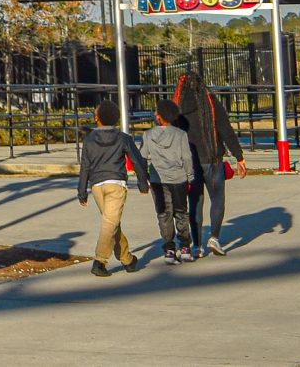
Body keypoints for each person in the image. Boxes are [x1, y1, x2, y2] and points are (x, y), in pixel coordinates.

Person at [172, 72, 245, 256]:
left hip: (190, 163)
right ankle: (214, 237)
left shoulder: (177, 108)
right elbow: (226, 130)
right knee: (217, 199)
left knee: (195, 202)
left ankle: (197, 245)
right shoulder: (211, 104)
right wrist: (239, 157)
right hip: (213, 159)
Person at [75, 97, 149, 276]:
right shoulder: (123, 138)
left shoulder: (89, 139)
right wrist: (142, 182)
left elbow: (85, 166)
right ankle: (99, 261)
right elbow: (137, 161)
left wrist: (82, 191)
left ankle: (127, 260)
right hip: (116, 184)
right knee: (110, 224)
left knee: (112, 223)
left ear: (98, 118)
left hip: (97, 186)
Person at [138, 97, 196, 263]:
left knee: (164, 214)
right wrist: (189, 176)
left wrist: (145, 177)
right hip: (178, 179)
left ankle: (169, 249)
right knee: (181, 212)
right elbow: (186, 157)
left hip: (158, 180)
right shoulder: (181, 135)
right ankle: (185, 246)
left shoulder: (148, 135)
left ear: (159, 116)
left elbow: (142, 157)